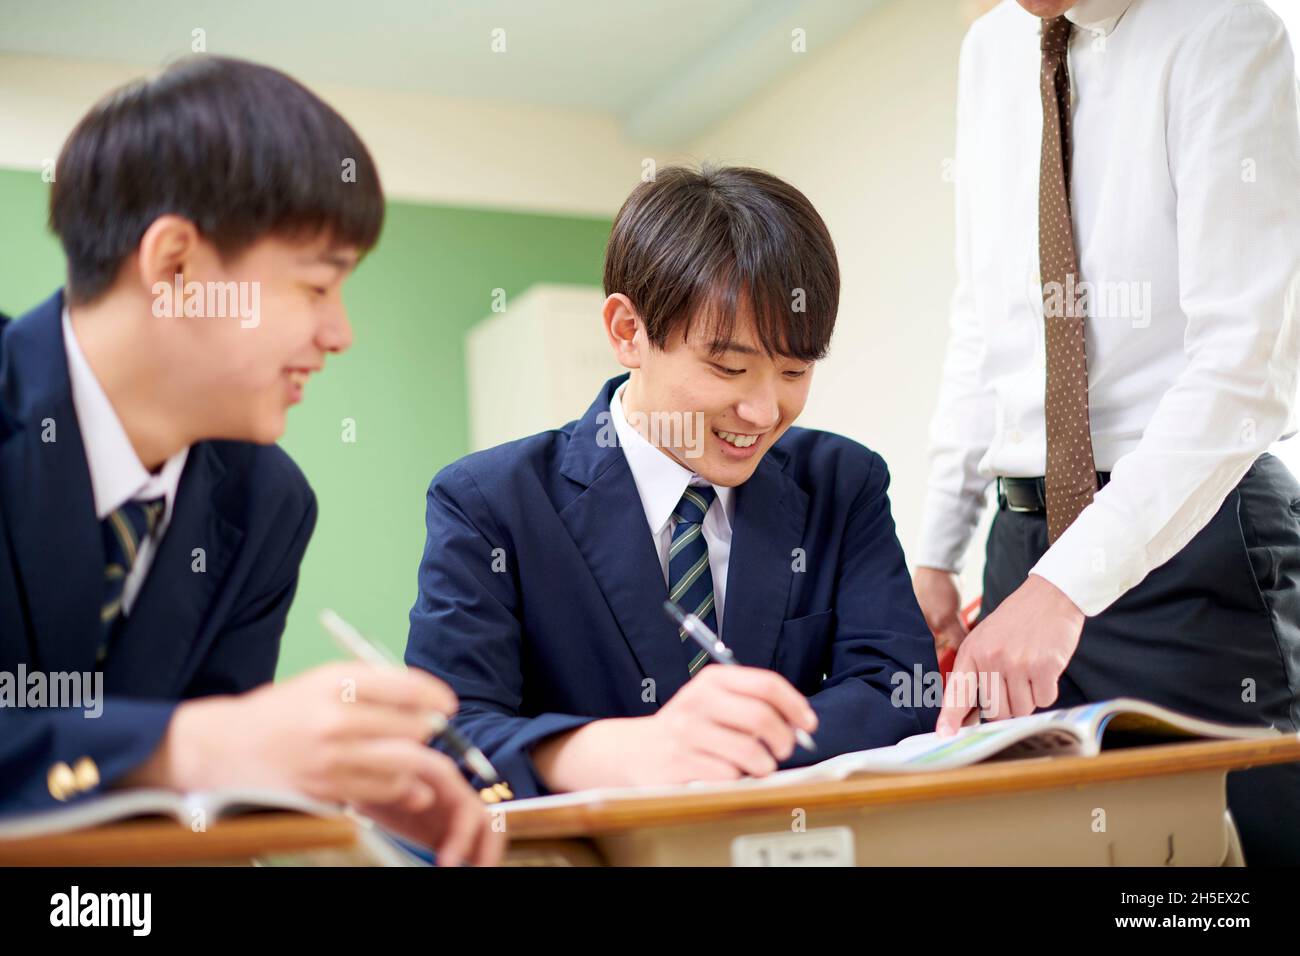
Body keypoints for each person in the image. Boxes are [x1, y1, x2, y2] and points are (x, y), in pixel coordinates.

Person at [0, 55, 500, 866]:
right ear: (177, 268)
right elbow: (197, 745)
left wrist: (314, 786)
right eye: (314, 286)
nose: (340, 334)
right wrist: (201, 746)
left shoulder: (267, 502)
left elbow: (199, 826)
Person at [407, 165, 938, 799]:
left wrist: (736, 749)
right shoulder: (490, 503)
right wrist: (629, 752)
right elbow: (452, 733)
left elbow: (900, 688)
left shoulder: (842, 483)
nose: (764, 413)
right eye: (727, 367)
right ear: (628, 332)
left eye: (794, 372)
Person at [915, 0, 1300, 863]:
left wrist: (1070, 586)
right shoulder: (991, 50)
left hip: (1192, 548)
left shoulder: (1224, 31)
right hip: (1021, 556)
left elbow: (1245, 366)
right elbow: (984, 319)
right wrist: (938, 554)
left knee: (1229, 882)